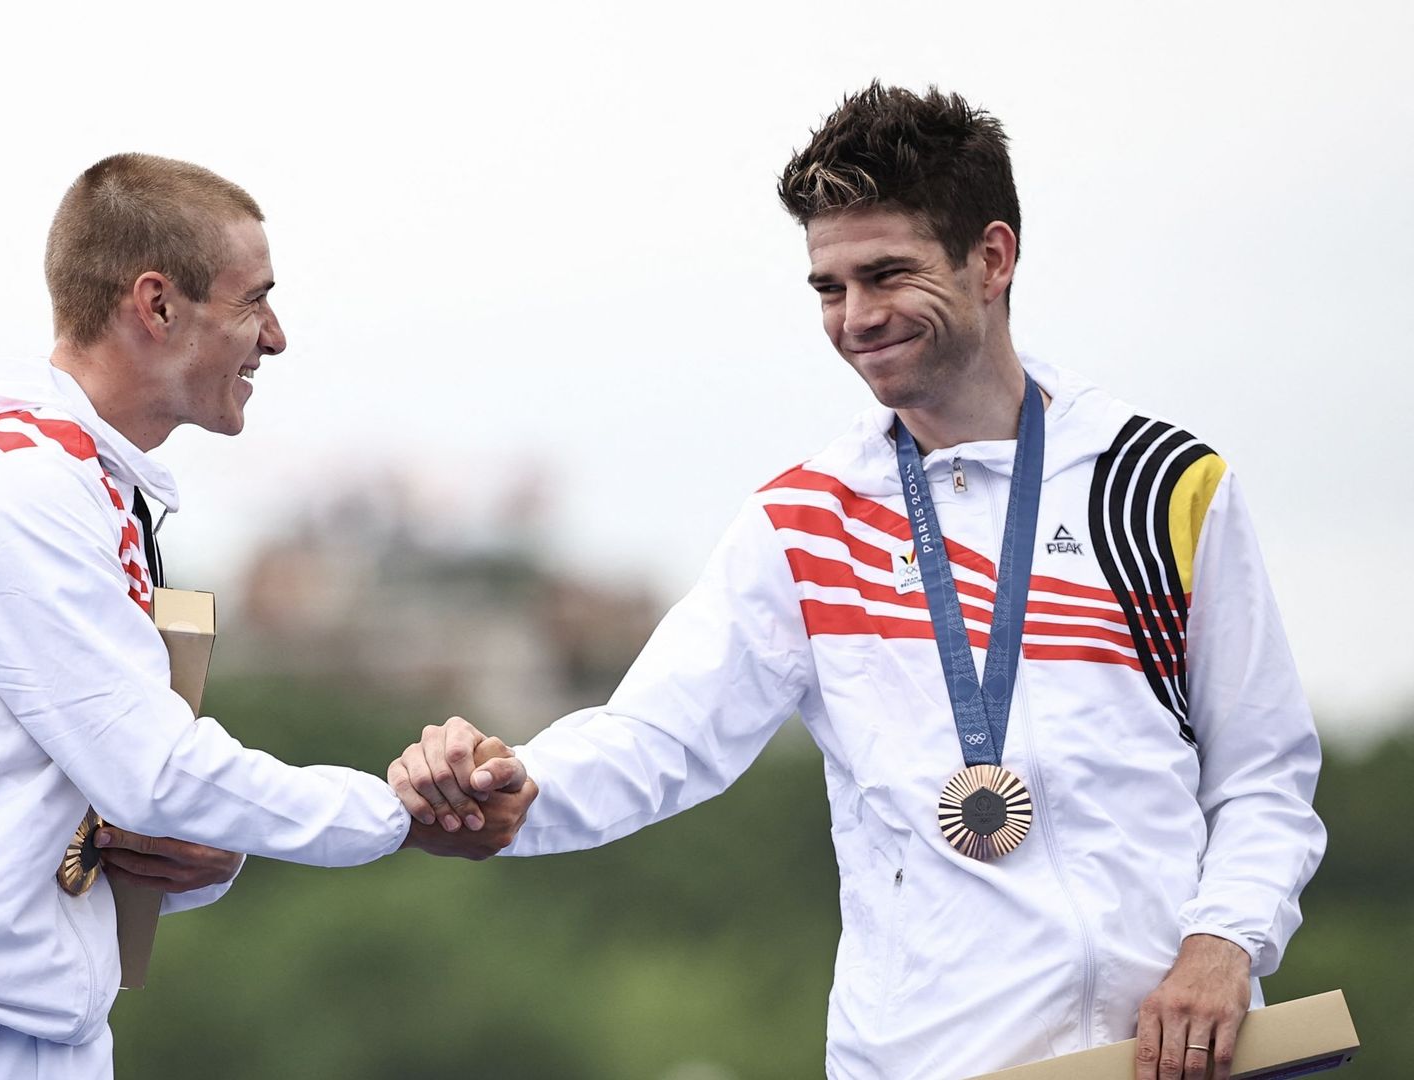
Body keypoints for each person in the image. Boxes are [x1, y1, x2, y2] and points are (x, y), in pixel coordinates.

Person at [390, 84, 1325, 1080]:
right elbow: (655, 742)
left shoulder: (1163, 486)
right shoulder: (805, 520)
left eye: (886, 275)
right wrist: (511, 791)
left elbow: (1264, 774)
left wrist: (1227, 944)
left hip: (1169, 1057)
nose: (856, 318)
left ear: (994, 259)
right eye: (829, 287)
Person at [0, 153, 533, 1080]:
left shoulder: (80, 485)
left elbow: (85, 799)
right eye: (254, 301)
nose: (275, 337)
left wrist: (202, 857)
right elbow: (151, 767)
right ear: (156, 305)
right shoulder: (17, 485)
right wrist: (390, 814)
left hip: (24, 1024)